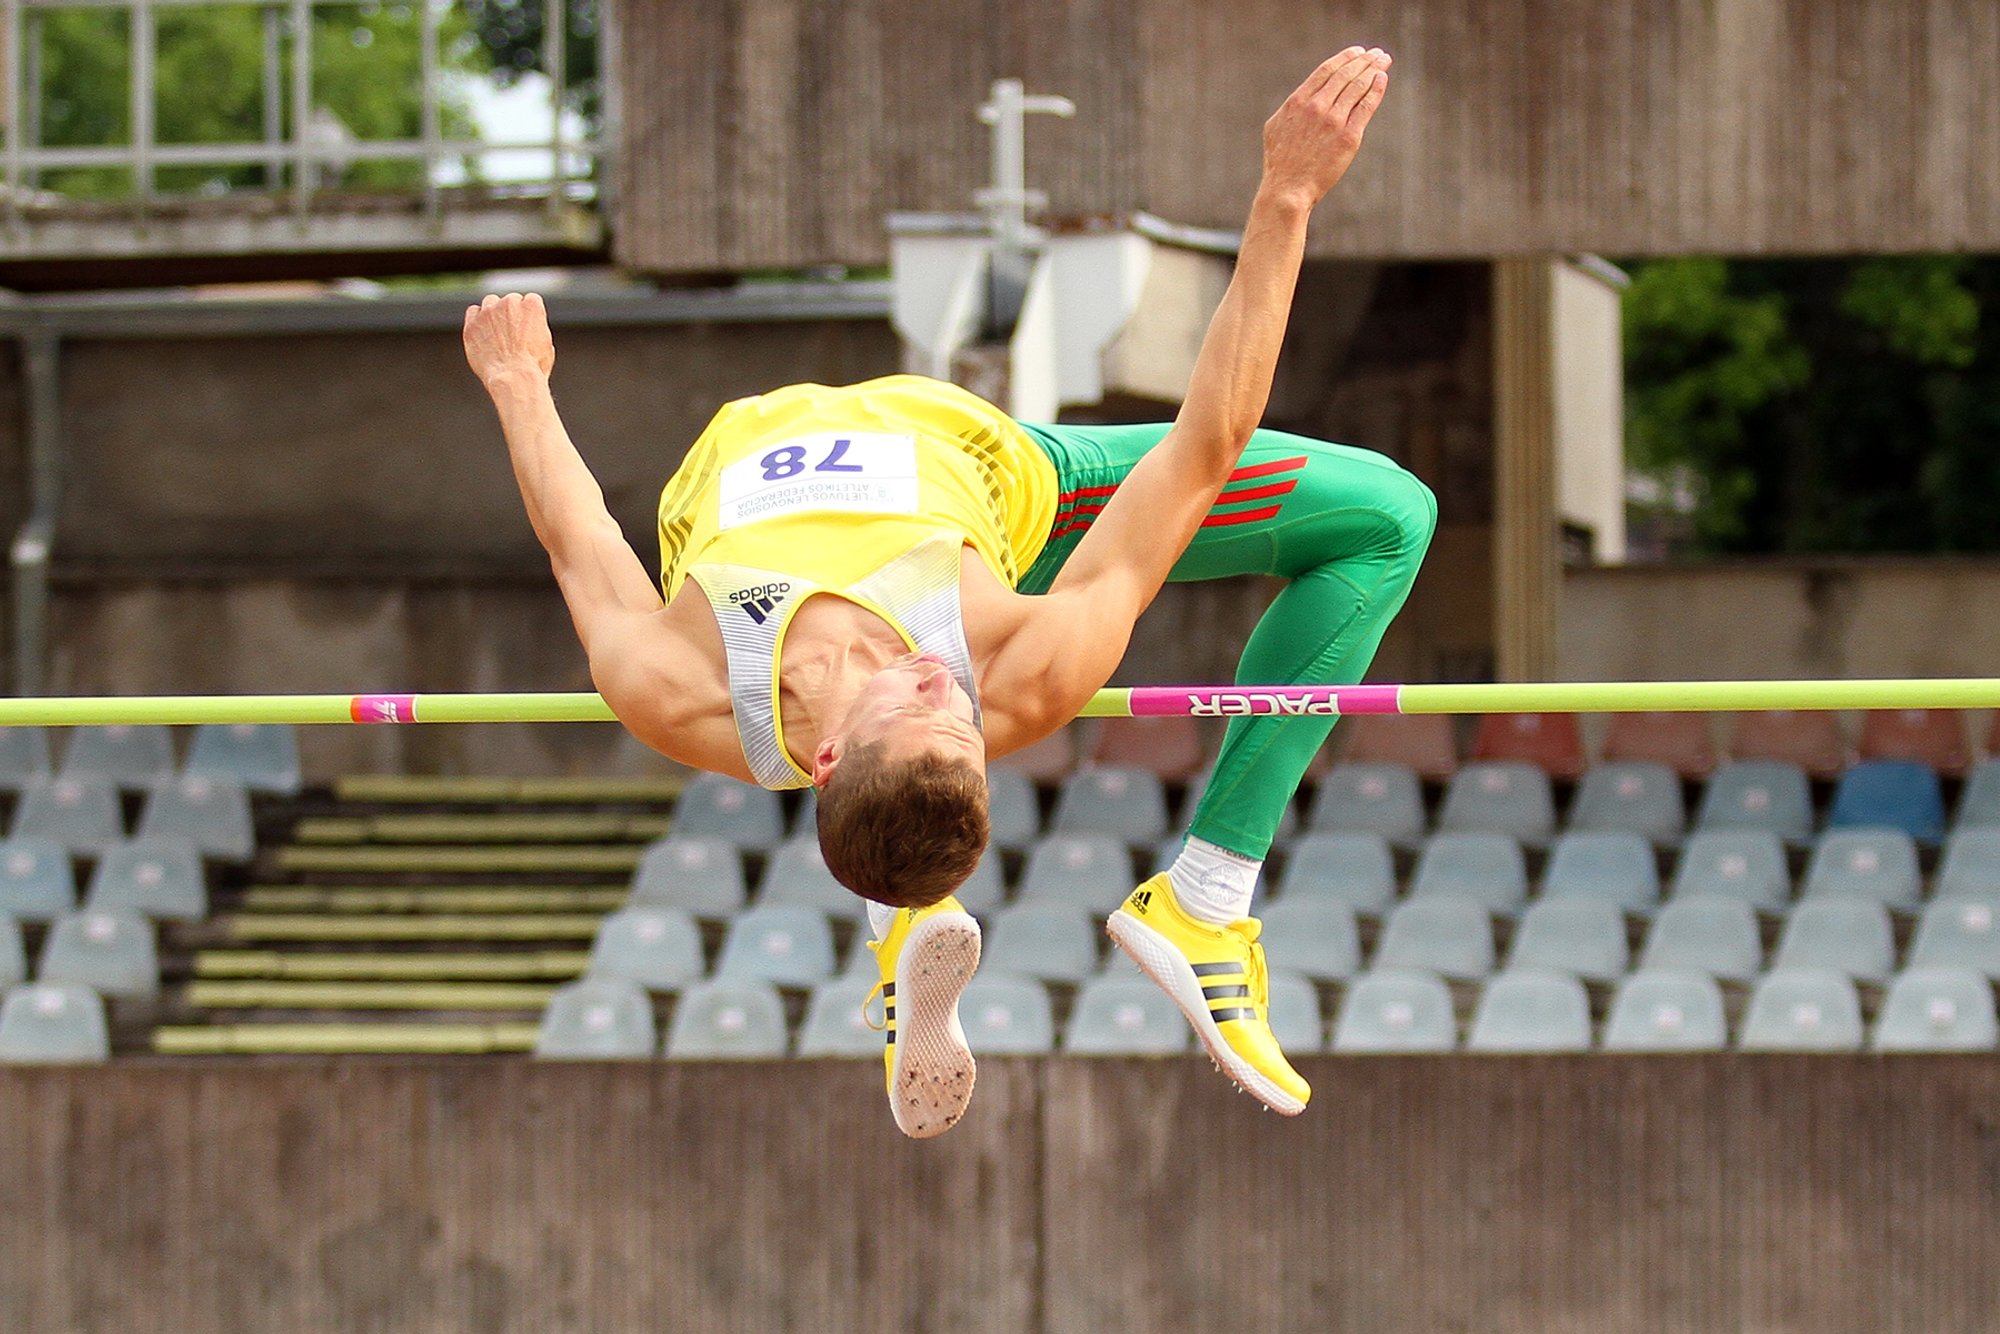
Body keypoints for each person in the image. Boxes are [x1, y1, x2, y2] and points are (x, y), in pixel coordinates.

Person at [463, 46, 1431, 1136]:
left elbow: (577, 538)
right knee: (1387, 516)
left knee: (893, 792)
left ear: (819, 758)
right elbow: (1205, 446)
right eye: (962, 726)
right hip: (1022, 494)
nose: (940, 685)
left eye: (918, 708)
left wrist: (517, 384)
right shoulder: (1008, 663)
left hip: (784, 524)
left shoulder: (681, 687)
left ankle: (901, 921)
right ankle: (1207, 897)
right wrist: (1285, 195)